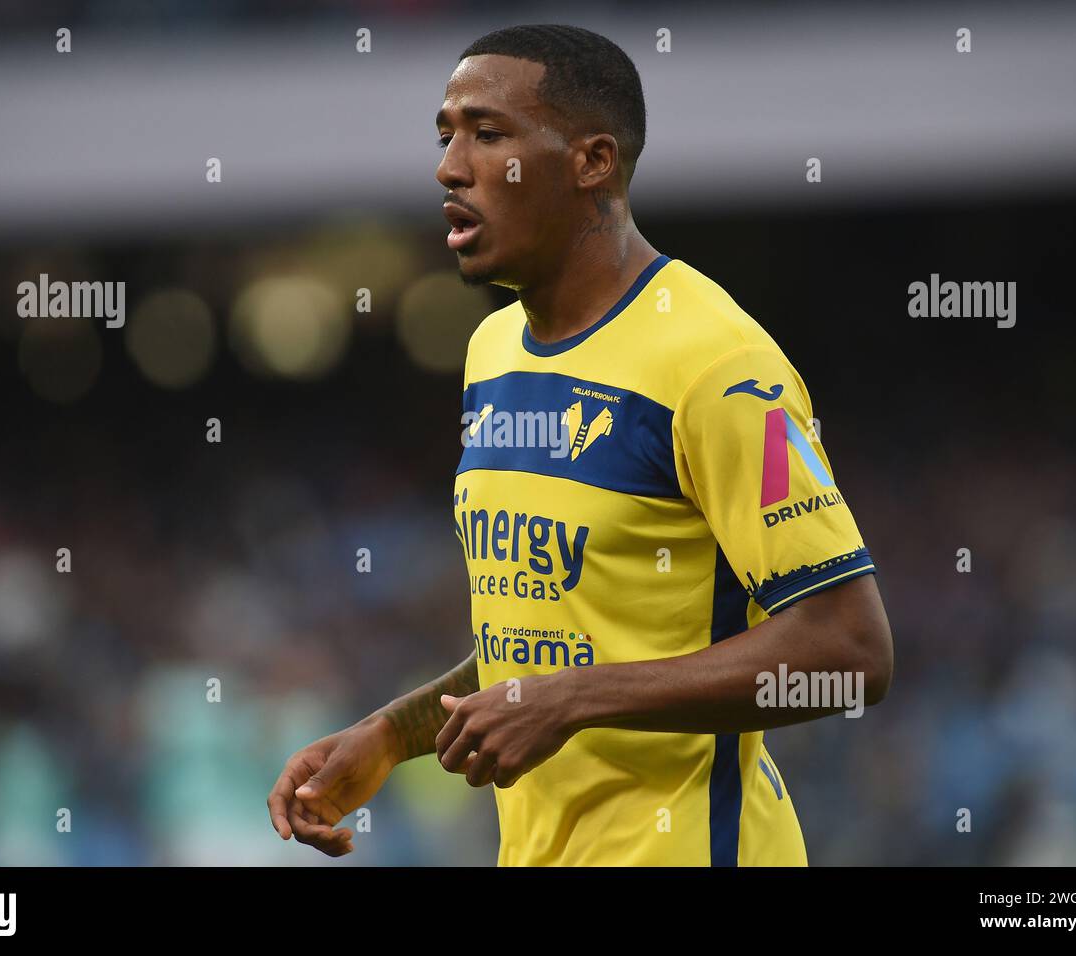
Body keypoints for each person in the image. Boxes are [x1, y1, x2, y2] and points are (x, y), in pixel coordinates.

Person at [269, 23, 893, 866]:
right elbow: (545, 643)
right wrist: (390, 735)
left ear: (593, 161)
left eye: (489, 135)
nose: (451, 167)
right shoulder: (494, 351)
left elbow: (850, 651)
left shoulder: (717, 363)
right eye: (445, 135)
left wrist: (571, 700)